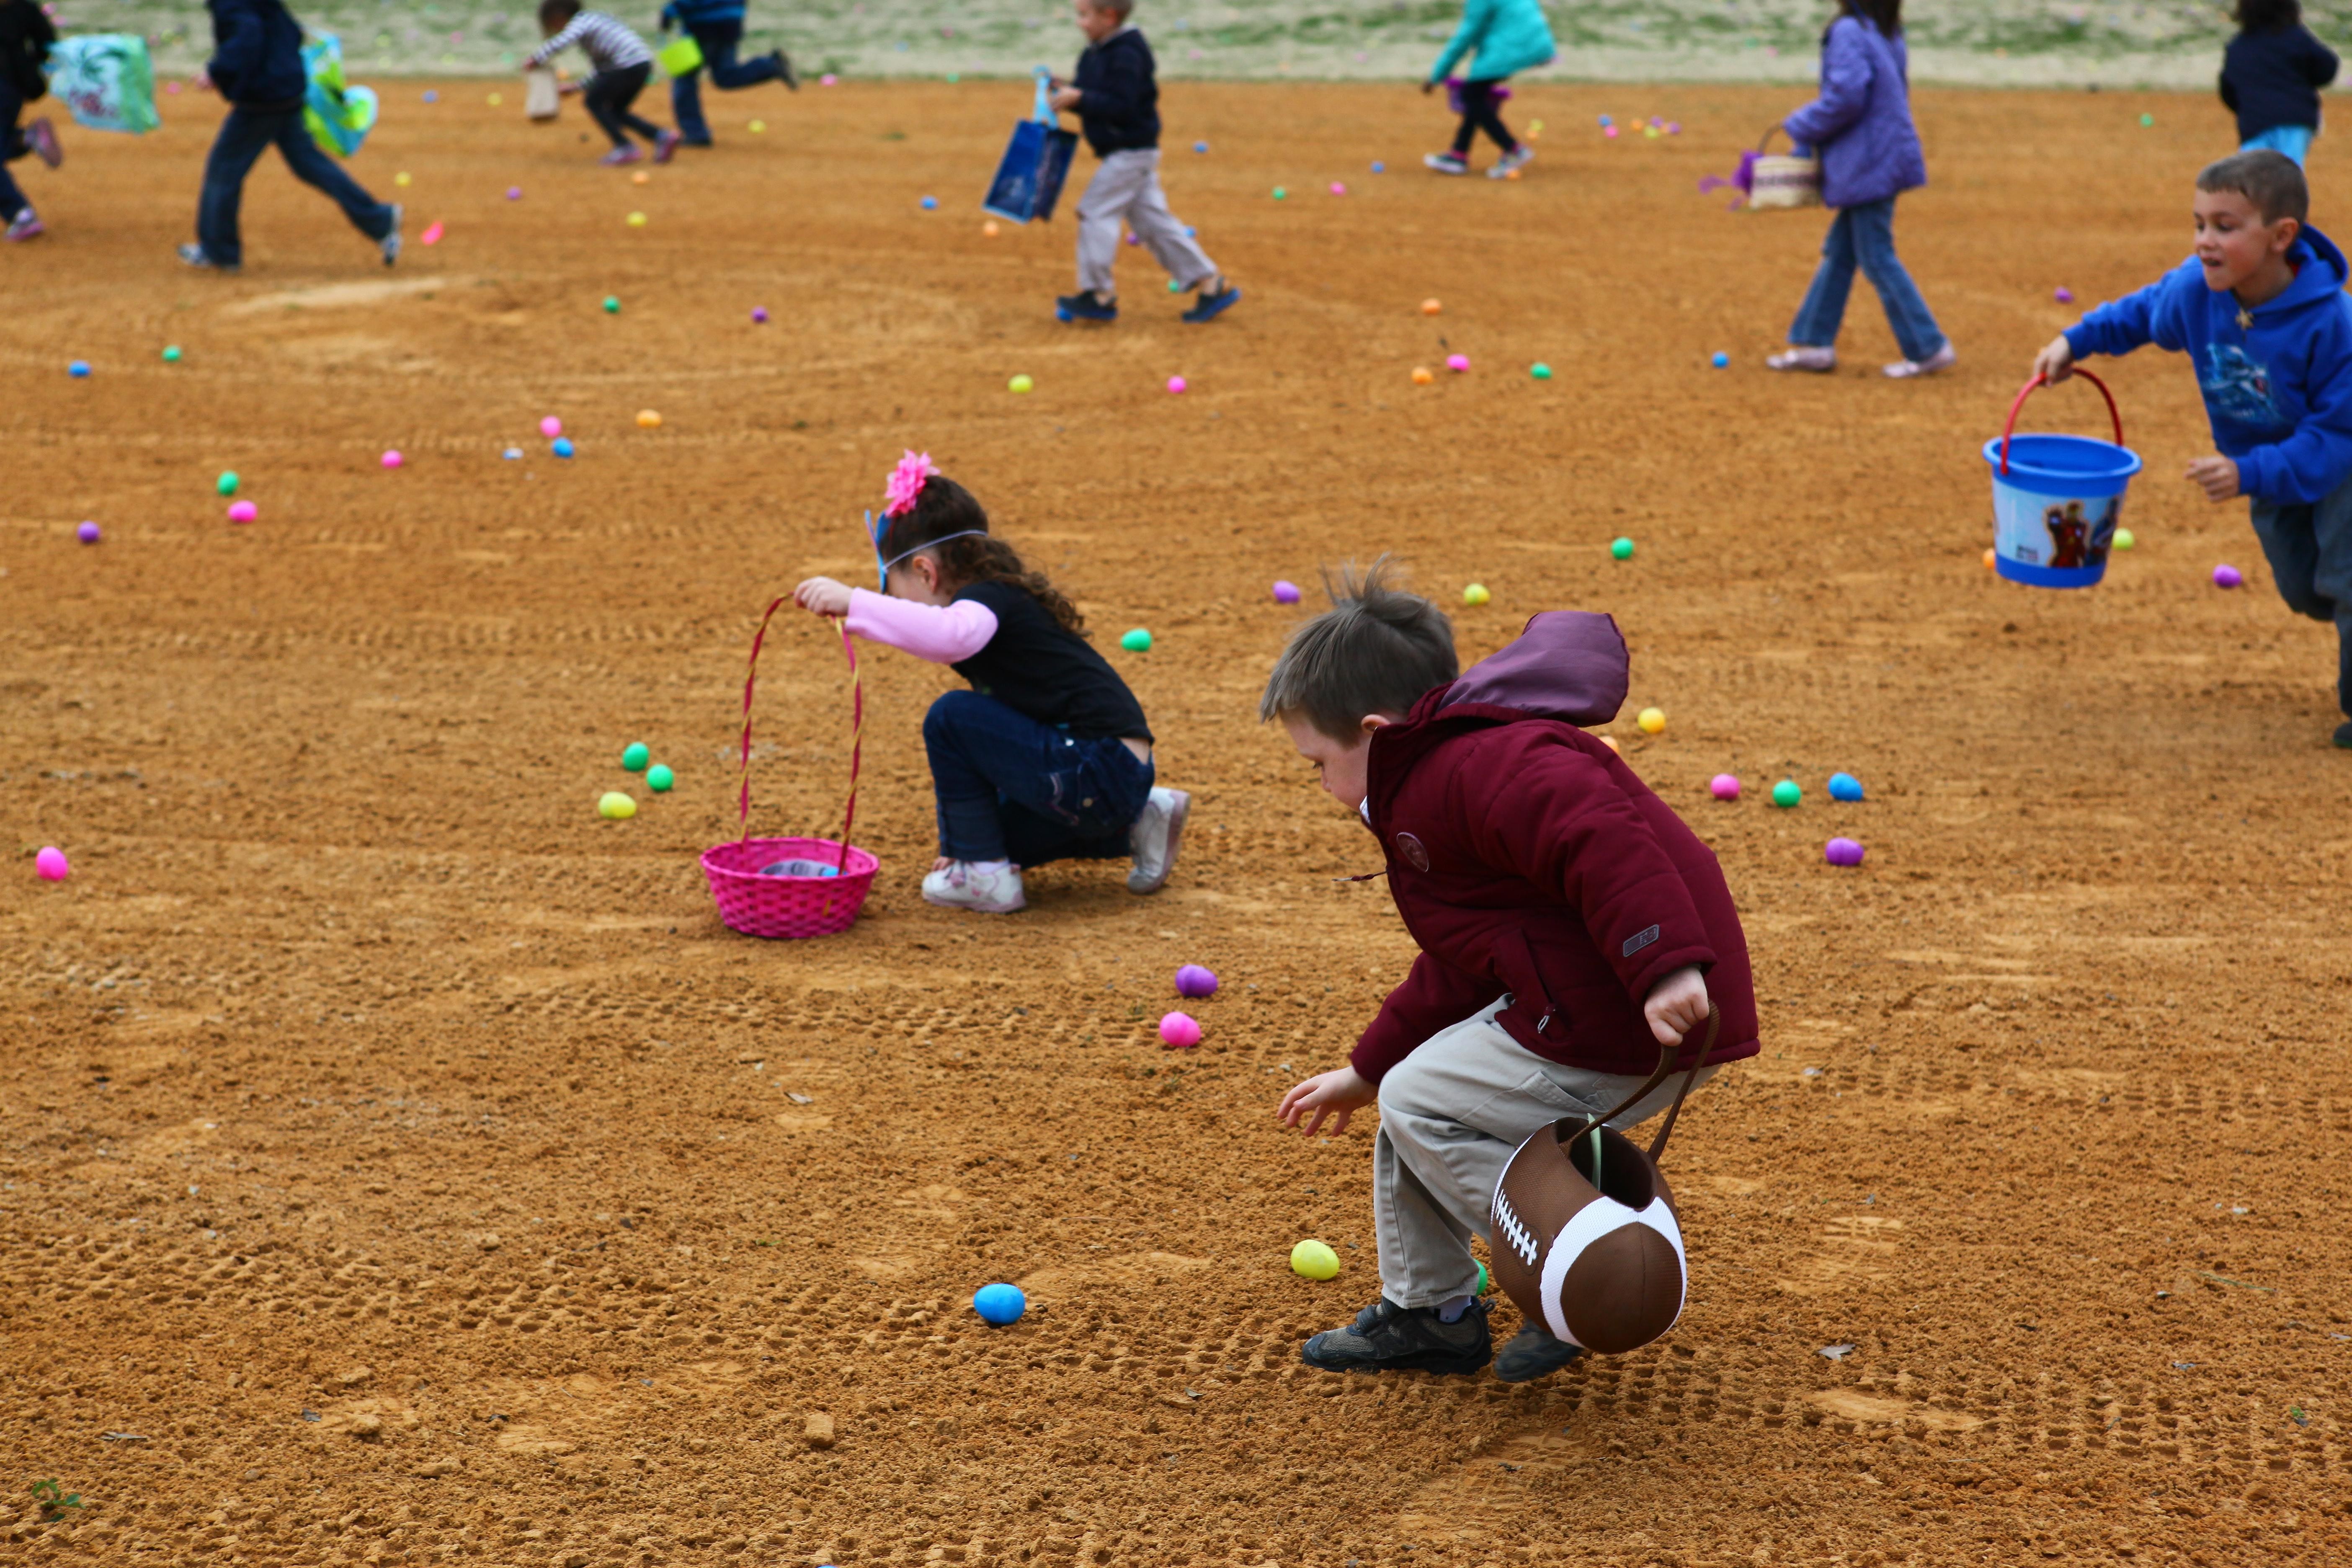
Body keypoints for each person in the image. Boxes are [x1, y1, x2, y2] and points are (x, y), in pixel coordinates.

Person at [1265, 565, 1757, 1381]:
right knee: (1412, 1094)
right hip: (1593, 996)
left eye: (1318, 762)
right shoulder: (1440, 776)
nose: (1318, 784)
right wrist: (1365, 1068)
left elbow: (1604, 839)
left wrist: (1663, 964)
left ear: (1377, 732)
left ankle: (1581, 1268)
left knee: (1422, 1097)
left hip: (1639, 1006)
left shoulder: (1483, 766)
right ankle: (1432, 1311)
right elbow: (1463, 962)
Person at [2036, 151, 2352, 750]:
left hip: (2342, 462)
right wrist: (2074, 341)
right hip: (2267, 472)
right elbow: (2141, 310)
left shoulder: (2332, 324)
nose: (2205, 241)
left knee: (2349, 581)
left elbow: (2338, 436)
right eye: (2199, 223)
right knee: (2307, 591)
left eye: (2225, 227)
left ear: (2282, 236)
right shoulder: (2197, 292)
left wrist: (2247, 470)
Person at [789, 453, 1192, 913]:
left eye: (888, 584)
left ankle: (984, 877)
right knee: (995, 834)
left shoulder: (986, 602)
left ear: (925, 571)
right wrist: (968, 839)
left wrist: (855, 603)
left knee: (952, 717)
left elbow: (950, 636)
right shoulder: (1001, 599)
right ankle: (1142, 820)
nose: (890, 599)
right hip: (1109, 776)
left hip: (1096, 769)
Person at [1765, 0, 1952, 379]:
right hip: (1883, 156)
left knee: (1876, 254)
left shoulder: (1850, 30)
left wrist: (1800, 126)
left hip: (1869, 163)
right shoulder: (1884, 28)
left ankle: (1927, 345)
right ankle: (1815, 342)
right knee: (1841, 252)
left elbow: (1846, 97)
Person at [1047, 0, 1238, 326]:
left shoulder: (1128, 54)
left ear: (1109, 17)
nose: (1079, 23)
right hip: (1126, 152)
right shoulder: (1096, 52)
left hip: (1131, 152)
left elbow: (1122, 106)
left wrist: (1081, 99)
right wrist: (1069, 92)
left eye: (1084, 15)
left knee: (1094, 210)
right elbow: (1097, 100)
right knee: (1153, 223)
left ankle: (1099, 294)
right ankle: (1210, 283)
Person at [180, 0, 398, 272]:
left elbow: (248, 35)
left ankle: (220, 251)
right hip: (288, 91)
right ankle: (380, 221)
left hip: (264, 99)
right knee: (309, 164)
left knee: (223, 170)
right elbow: (292, 31)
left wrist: (218, 72)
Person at [528, 0, 678, 167]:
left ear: (559, 16)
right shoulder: (593, 23)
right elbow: (603, 71)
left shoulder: (582, 22)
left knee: (593, 102)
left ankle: (625, 146)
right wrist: (578, 87)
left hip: (627, 66)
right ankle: (661, 137)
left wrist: (537, 58)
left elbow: (564, 41)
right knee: (616, 110)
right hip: (640, 65)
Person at [1419, 0, 1554, 178]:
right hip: (1535, 43)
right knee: (1476, 96)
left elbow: (1465, 38)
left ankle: (1513, 149)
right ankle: (1458, 154)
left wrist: (1436, 76)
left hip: (1514, 48)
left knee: (1472, 96)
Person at [659, 0, 794, 150]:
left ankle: (696, 134)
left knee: (685, 79)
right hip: (731, 21)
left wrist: (670, 11)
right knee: (725, 76)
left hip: (703, 26)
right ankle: (771, 65)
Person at [2219, 0, 2337, 168]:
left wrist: (2248, 105)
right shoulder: (2295, 37)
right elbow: (2328, 67)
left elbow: (2228, 90)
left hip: (2255, 122)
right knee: (2290, 174)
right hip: (2295, 119)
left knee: (2251, 177)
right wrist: (2304, 81)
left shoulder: (2238, 47)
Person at [0, 0, 60, 241]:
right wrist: (28, 67)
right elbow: (48, 43)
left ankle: (20, 214)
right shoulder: (25, 8)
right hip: (15, 86)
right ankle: (26, 139)